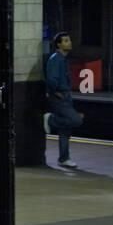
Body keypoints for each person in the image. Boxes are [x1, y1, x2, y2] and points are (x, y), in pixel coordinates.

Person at [43, 31, 84, 169]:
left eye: (69, 40)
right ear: (59, 44)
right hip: (58, 96)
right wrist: (56, 92)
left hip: (65, 95)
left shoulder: (64, 59)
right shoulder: (56, 59)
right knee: (76, 120)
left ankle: (64, 158)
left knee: (65, 129)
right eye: (65, 41)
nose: (69, 42)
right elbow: (51, 79)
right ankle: (49, 119)